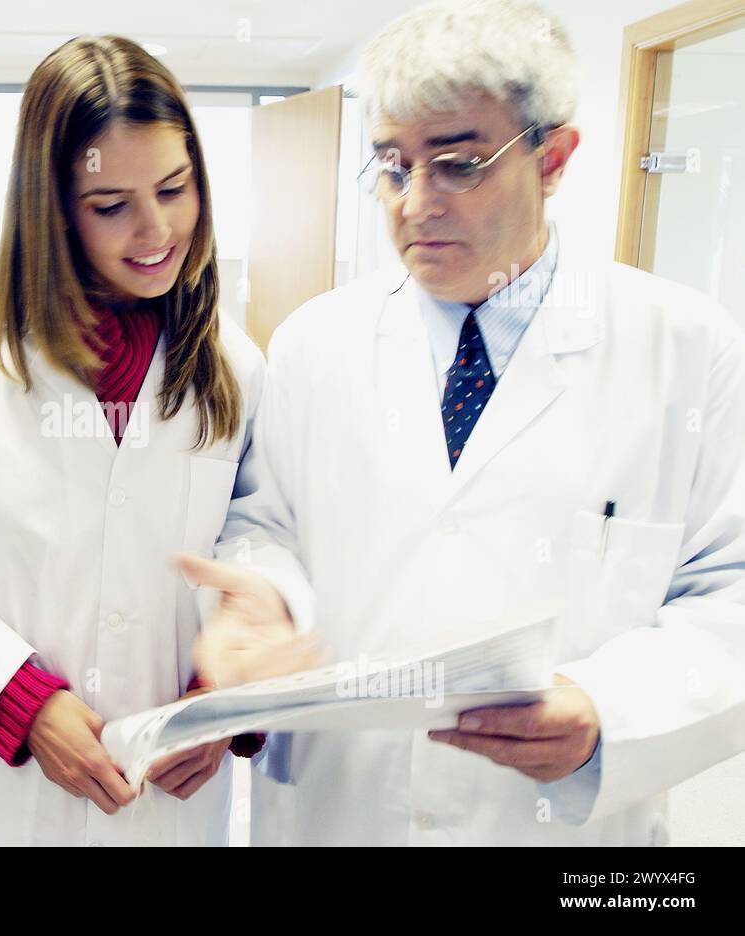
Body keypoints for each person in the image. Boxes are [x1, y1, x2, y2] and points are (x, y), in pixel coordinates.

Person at [185, 0, 745, 845]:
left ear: (554, 159)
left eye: (458, 165)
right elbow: (265, 527)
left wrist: (607, 712)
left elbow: (729, 594)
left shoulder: (686, 350)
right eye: (391, 165)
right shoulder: (315, 342)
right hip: (339, 810)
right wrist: (262, 602)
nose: (414, 205)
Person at [0, 35, 266, 845]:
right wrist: (19, 702)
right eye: (111, 206)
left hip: (163, 803)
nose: (156, 230)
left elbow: (260, 543)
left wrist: (224, 694)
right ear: (49, 206)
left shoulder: (234, 365)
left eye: (175, 189)